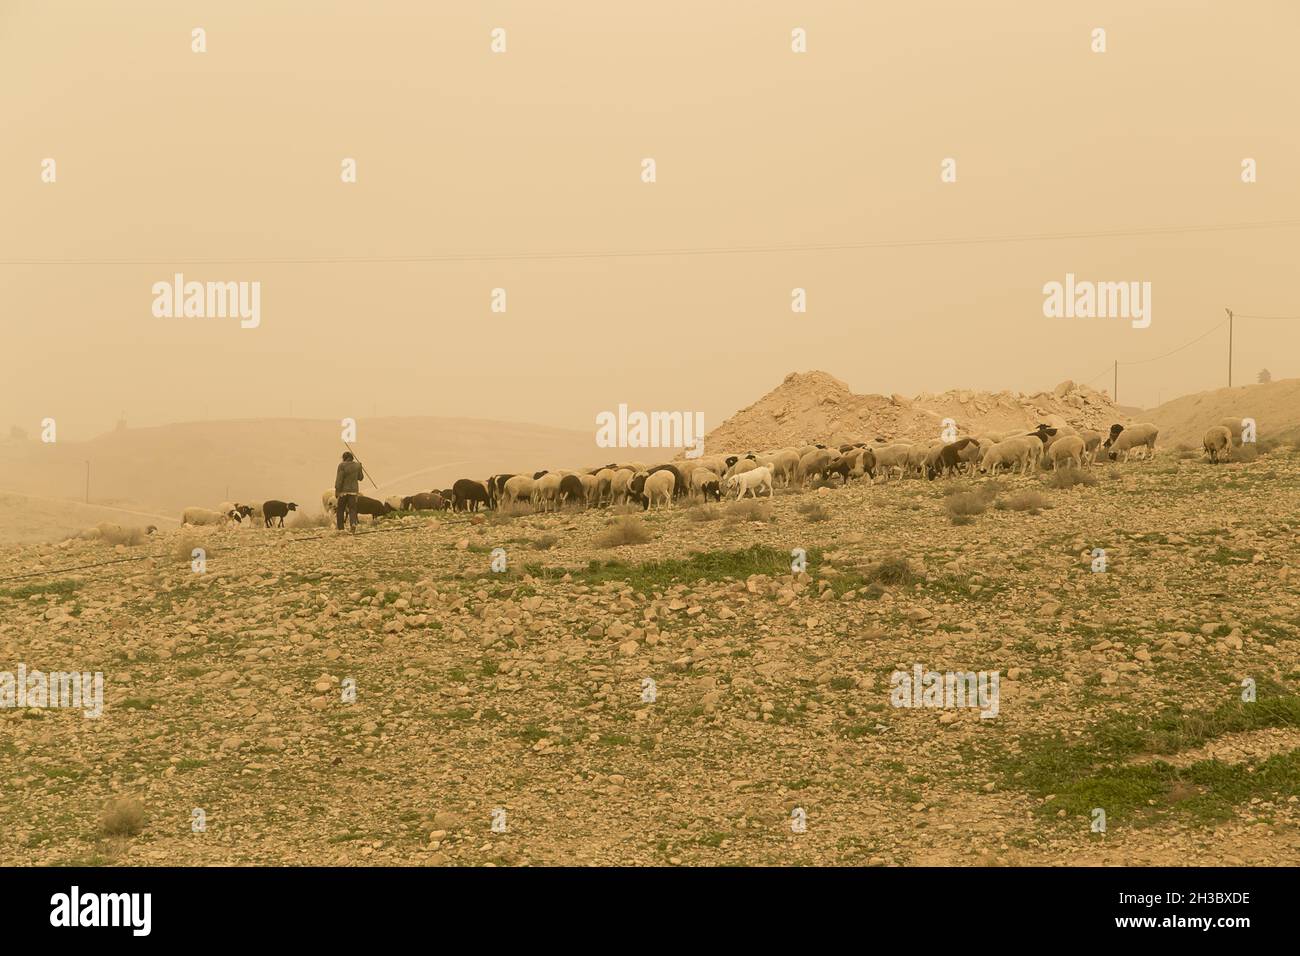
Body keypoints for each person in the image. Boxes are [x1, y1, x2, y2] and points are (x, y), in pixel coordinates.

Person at [334, 451, 364, 532]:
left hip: (343, 492)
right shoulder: (357, 466)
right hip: (353, 492)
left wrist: (337, 491)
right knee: (352, 509)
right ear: (352, 458)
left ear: (344, 458)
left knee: (340, 509)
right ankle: (353, 524)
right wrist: (360, 468)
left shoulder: (342, 465)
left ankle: (341, 528)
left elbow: (339, 480)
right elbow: (360, 478)